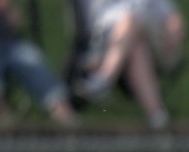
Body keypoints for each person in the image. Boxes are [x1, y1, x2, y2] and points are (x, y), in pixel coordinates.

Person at [73, 0, 181, 128]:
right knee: (136, 47)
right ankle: (157, 116)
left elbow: (173, 19)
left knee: (130, 20)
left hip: (155, 42)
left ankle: (103, 79)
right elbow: (92, 28)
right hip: (110, 42)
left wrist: (174, 33)